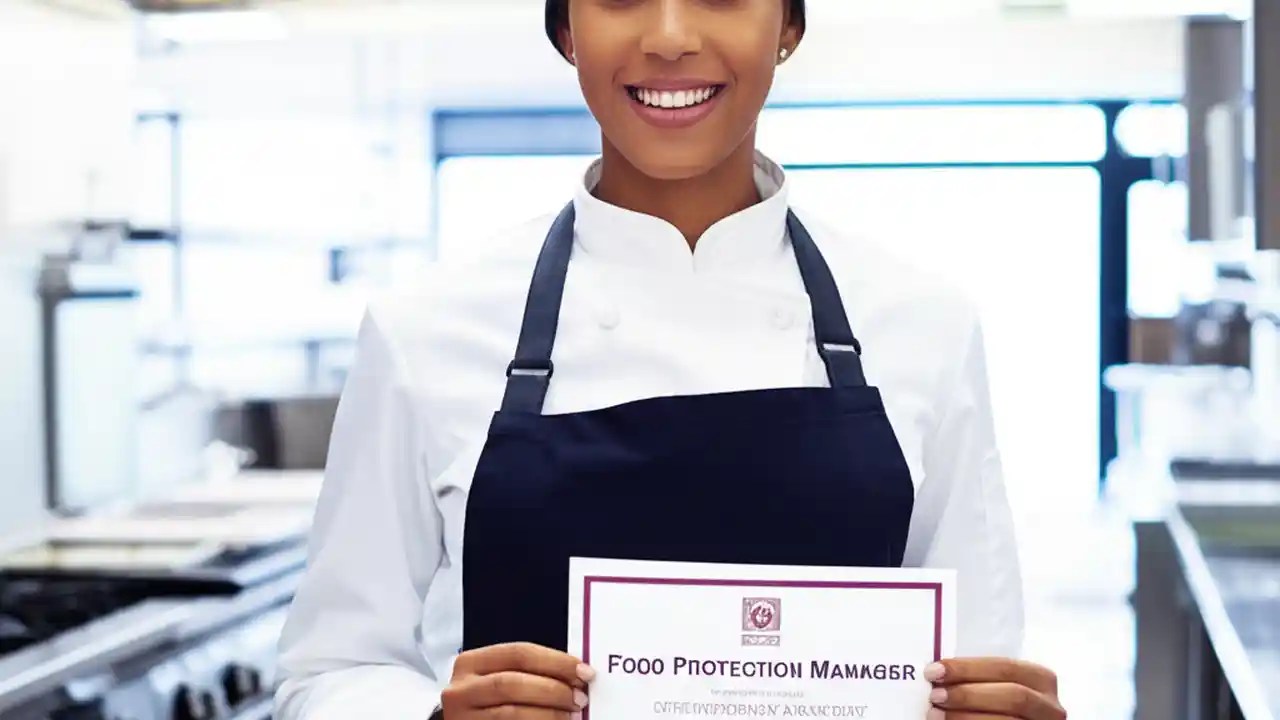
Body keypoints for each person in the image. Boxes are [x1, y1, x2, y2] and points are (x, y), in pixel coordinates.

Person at [274, 1, 1068, 719]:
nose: (669, 37)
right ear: (566, 32)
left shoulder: (925, 326)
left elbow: (976, 659)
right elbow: (332, 669)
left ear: (788, 27)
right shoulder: (424, 329)